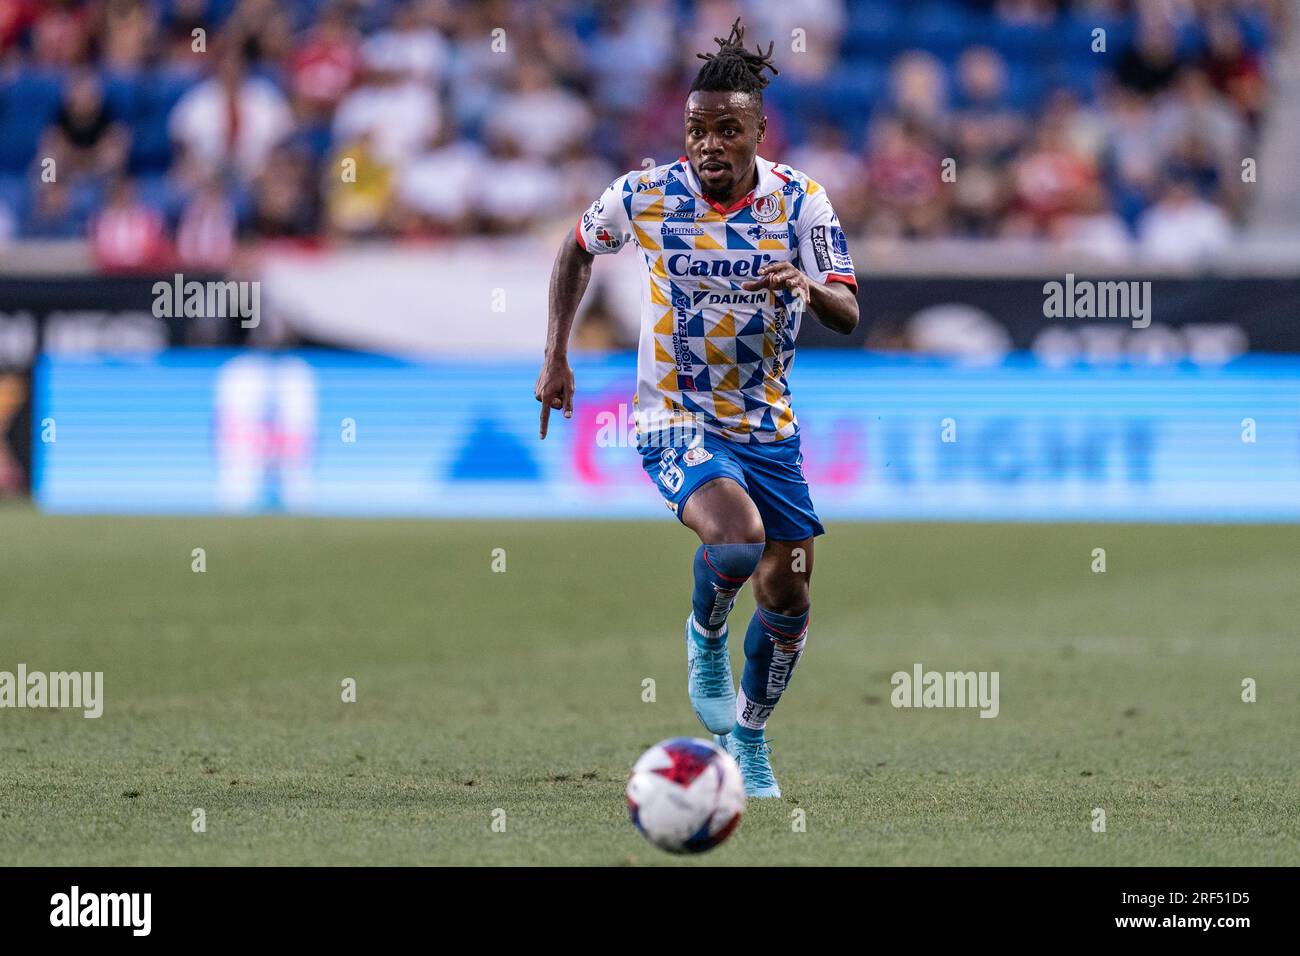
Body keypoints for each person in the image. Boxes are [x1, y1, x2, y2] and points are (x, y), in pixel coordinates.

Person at [534, 19, 858, 797]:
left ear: (757, 131)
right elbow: (576, 246)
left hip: (767, 427)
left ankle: (748, 738)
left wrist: (806, 287)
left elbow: (847, 311)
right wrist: (555, 353)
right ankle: (705, 629)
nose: (709, 144)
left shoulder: (801, 203)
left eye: (727, 130)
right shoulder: (645, 195)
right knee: (738, 543)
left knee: (790, 591)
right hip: (674, 414)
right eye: (696, 130)